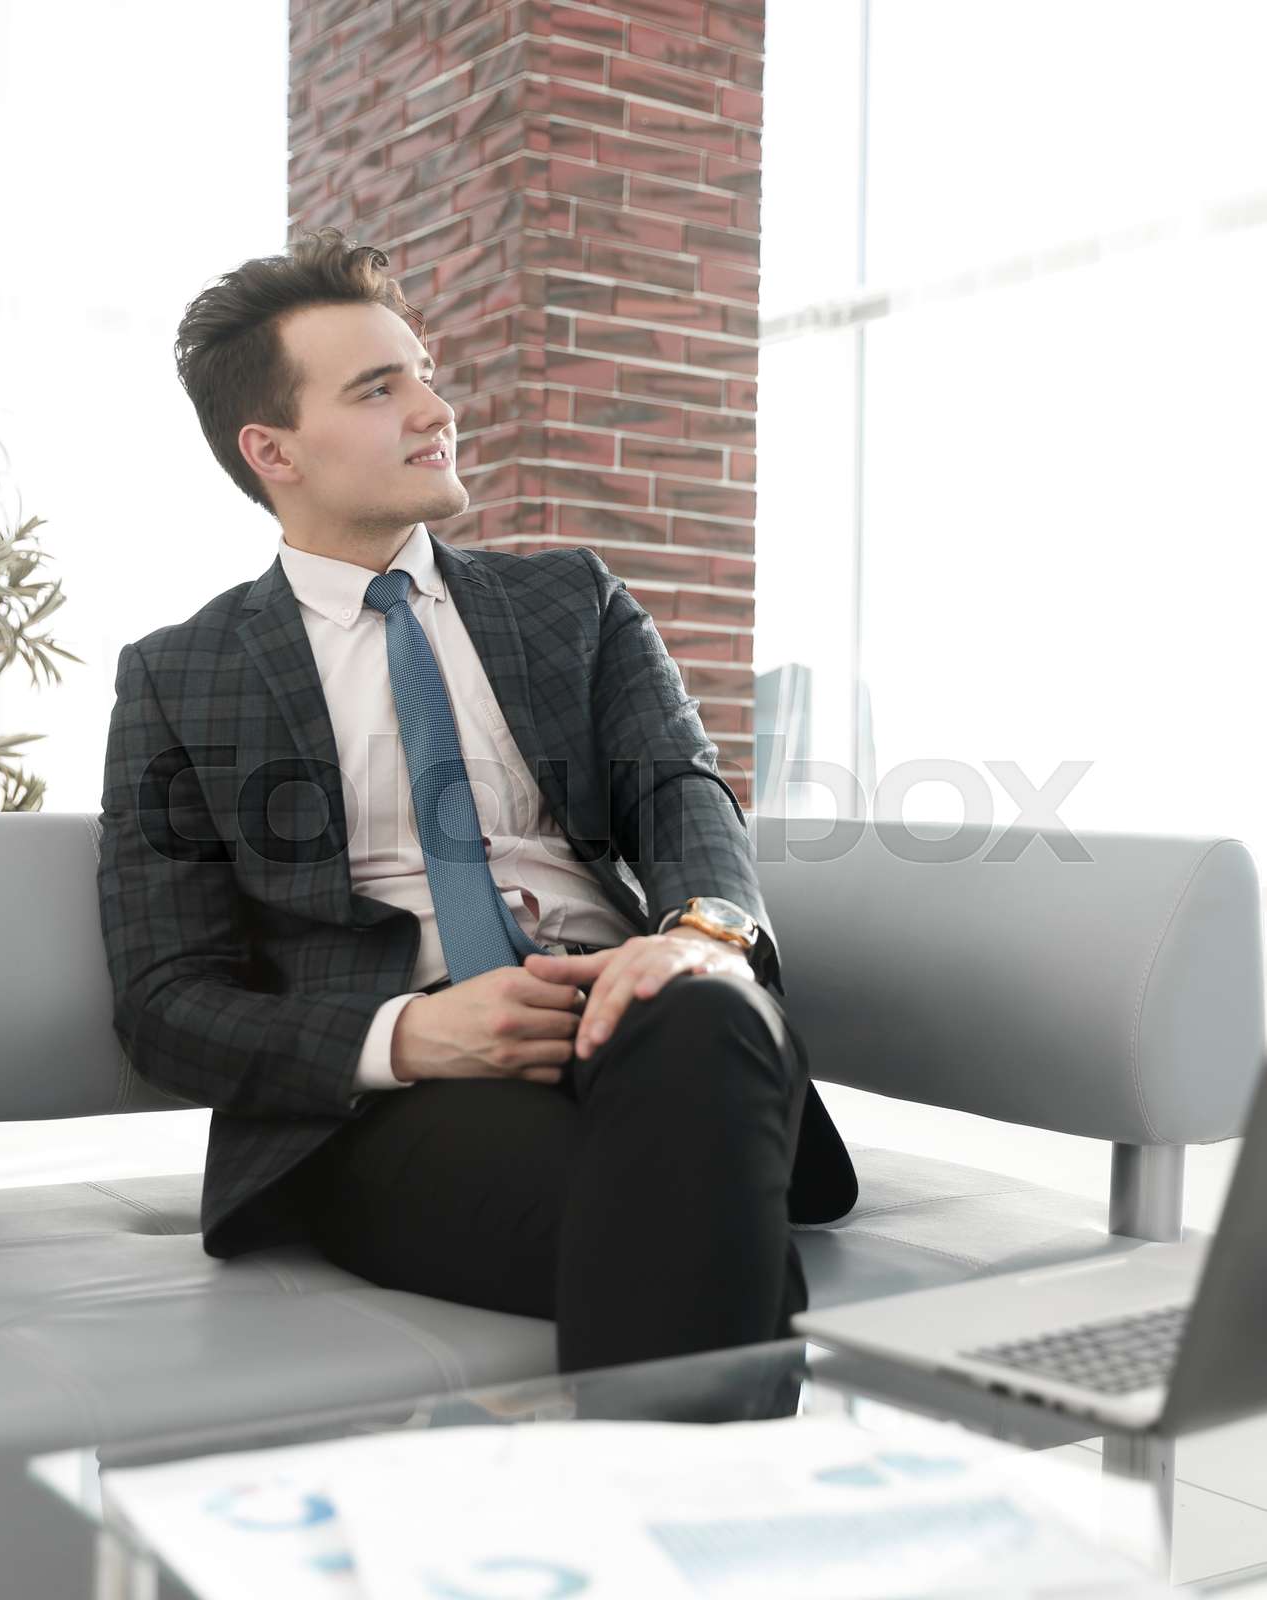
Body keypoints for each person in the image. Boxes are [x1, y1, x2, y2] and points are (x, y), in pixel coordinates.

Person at [97, 227, 857, 1377]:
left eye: (424, 373)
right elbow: (164, 999)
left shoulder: (569, 602)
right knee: (696, 1226)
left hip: (650, 1019)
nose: (434, 408)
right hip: (401, 1101)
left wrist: (702, 936)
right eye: (378, 388)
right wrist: (408, 1036)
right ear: (272, 449)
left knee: (706, 1015)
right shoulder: (179, 675)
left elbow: (679, 790)